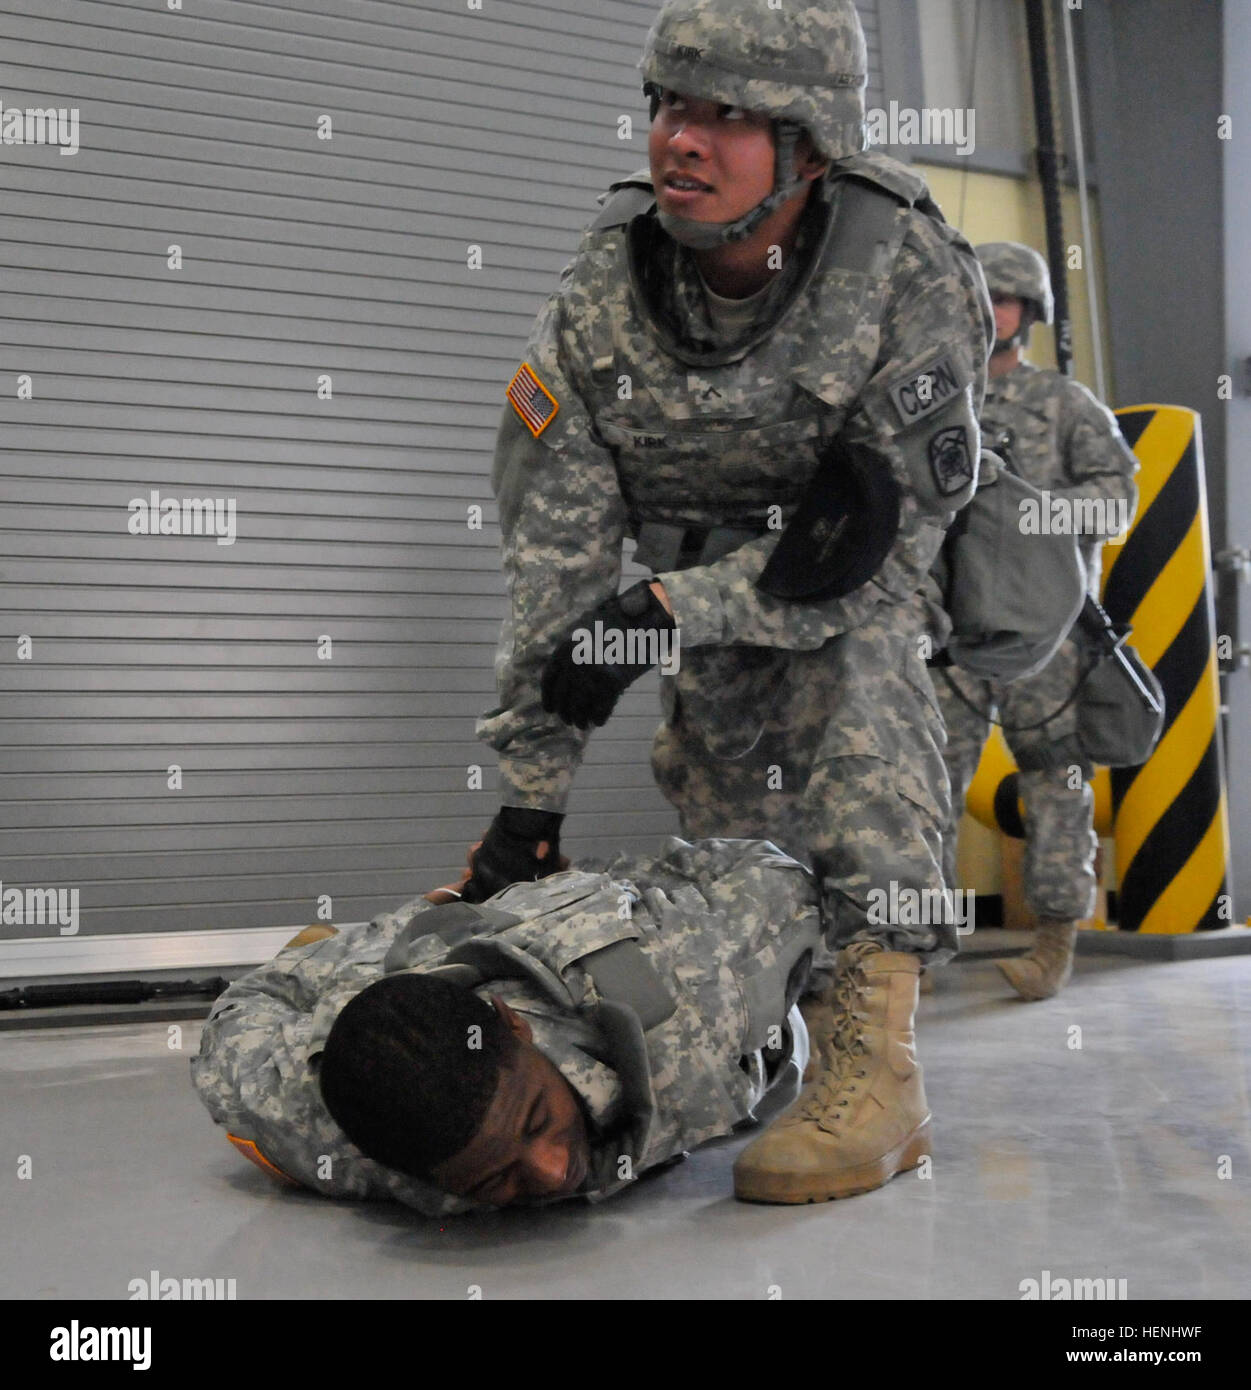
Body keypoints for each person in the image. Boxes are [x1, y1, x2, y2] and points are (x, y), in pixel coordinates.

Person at [464, 0, 993, 1203]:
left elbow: (862, 561)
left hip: (864, 583)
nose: (679, 142)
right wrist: (525, 807)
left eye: (726, 117)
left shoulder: (905, 272)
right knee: (730, 833)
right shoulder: (603, 297)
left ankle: (883, 1070)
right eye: (668, 107)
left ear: (809, 145)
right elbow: (553, 565)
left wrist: (658, 610)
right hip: (706, 602)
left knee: (861, 691)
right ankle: (778, 1030)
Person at [191, 838, 820, 1212]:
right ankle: (418, 928)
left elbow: (781, 876)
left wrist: (644, 885)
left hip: (596, 942)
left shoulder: (695, 988)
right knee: (348, 964)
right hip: (395, 972)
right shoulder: (314, 1133)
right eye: (495, 1180)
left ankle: (460, 906)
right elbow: (239, 1009)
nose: (551, 1171)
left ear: (510, 1027)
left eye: (538, 1118)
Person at [935, 242, 1139, 1001]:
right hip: (947, 635)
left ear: (1031, 313)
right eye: (982, 298)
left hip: (1043, 634)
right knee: (923, 787)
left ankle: (1053, 942)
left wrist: (1046, 517)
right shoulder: (934, 397)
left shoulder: (1064, 406)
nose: (992, 312)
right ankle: (909, 954)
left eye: (1007, 300)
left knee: (1055, 783)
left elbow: (1117, 497)